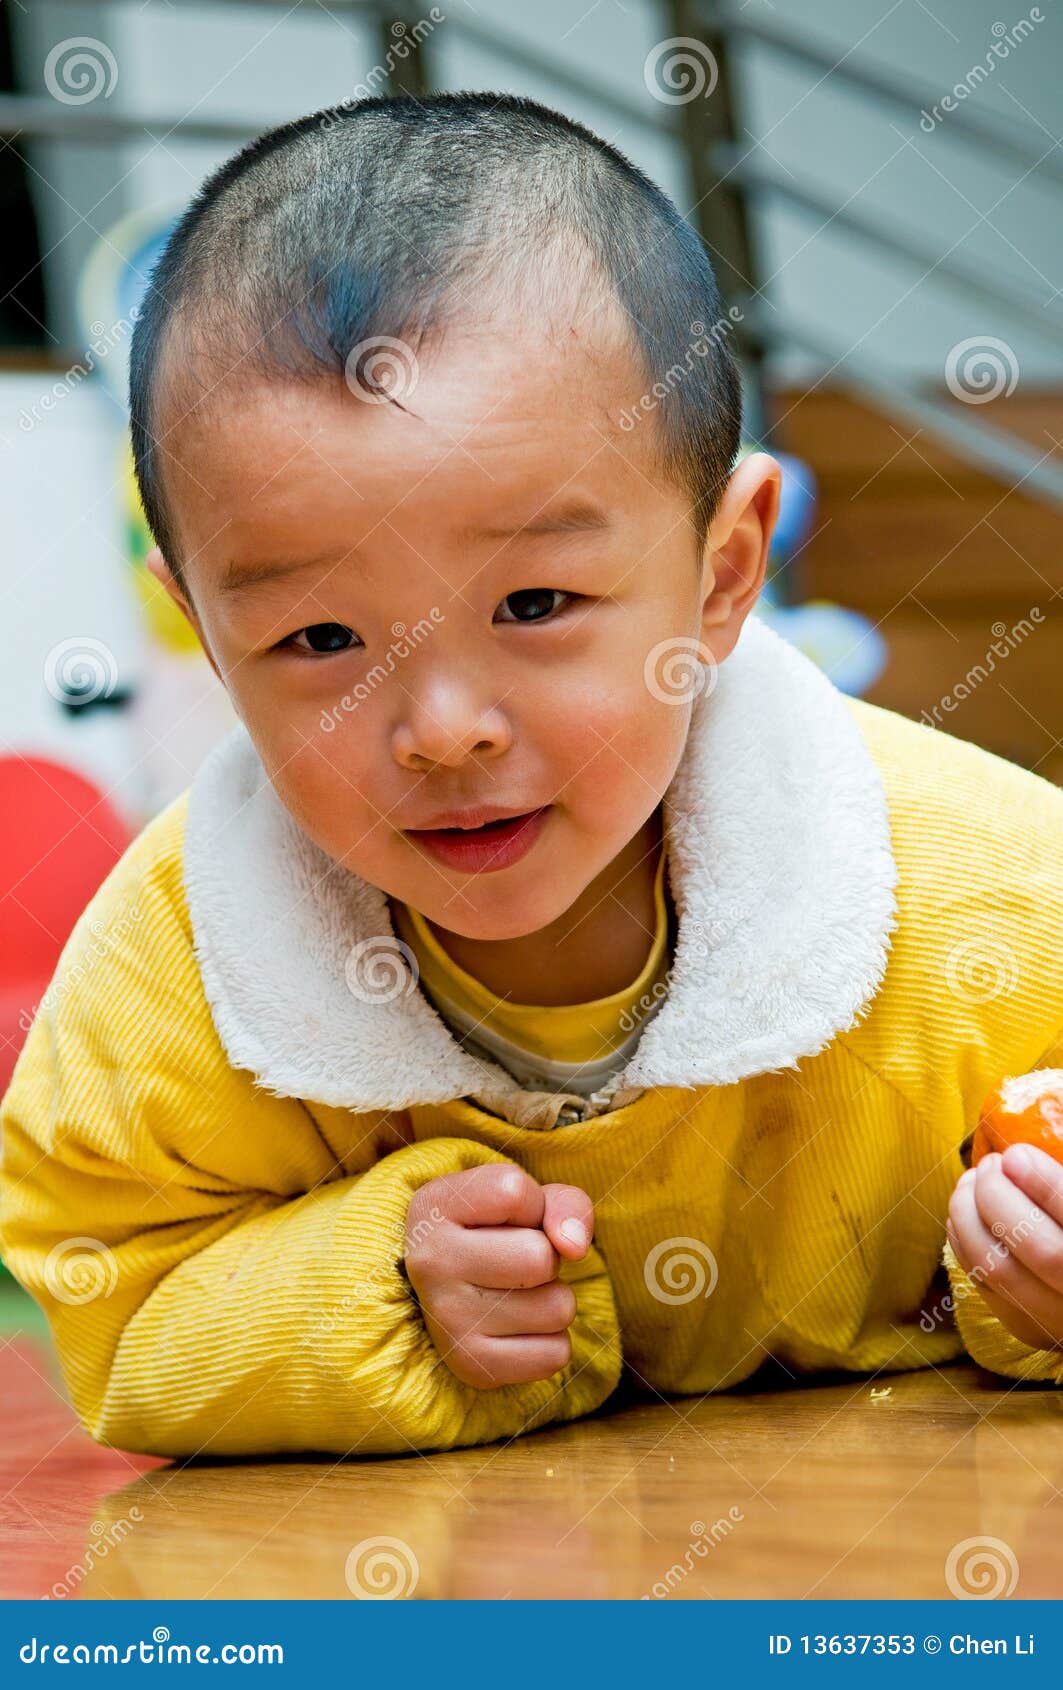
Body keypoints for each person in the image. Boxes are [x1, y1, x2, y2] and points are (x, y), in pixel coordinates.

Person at [4, 93, 1063, 1461]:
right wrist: (369, 1291)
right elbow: (112, 1293)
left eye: (537, 602)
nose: (444, 728)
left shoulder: (990, 896)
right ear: (205, 637)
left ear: (722, 575)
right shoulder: (179, 971)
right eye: (322, 638)